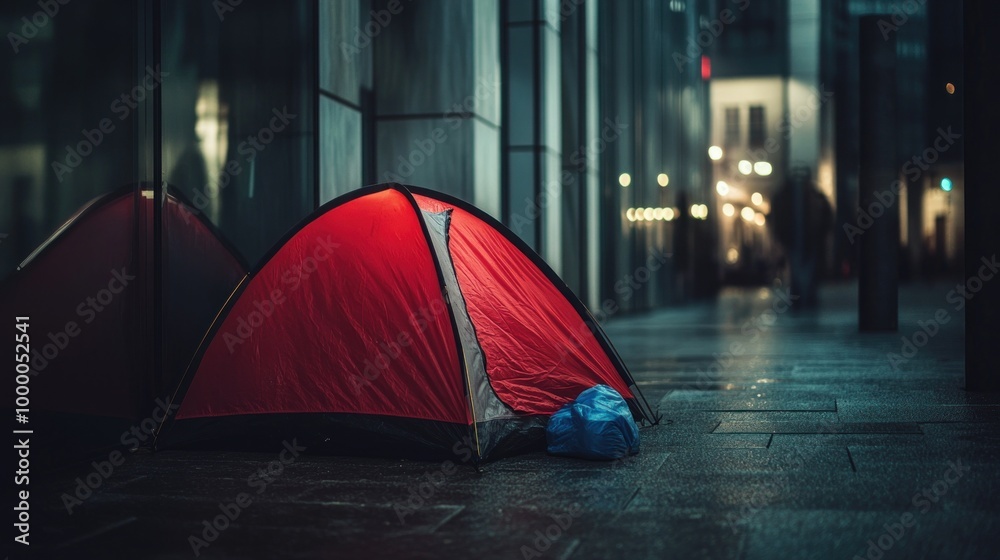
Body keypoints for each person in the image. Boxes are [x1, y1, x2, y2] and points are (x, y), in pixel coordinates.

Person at [767, 175, 833, 308]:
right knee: (806, 268)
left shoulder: (783, 196)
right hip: (805, 239)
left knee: (798, 268)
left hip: (798, 239)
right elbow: (827, 216)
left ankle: (800, 296)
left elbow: (775, 218)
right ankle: (806, 296)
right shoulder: (816, 195)